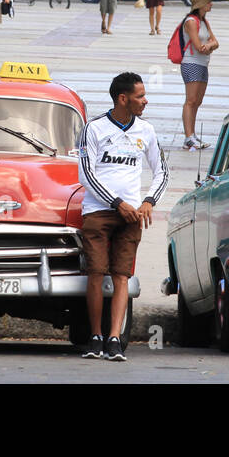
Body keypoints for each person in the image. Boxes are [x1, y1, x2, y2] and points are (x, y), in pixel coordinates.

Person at [77, 72, 167, 362]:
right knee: (95, 273)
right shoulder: (94, 128)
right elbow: (86, 173)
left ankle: (114, 338)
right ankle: (94, 336)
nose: (145, 101)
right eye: (140, 96)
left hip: (131, 216)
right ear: (123, 98)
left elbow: (162, 171)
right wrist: (117, 203)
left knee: (121, 276)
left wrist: (148, 201)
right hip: (98, 212)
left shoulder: (146, 131)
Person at [179, 0, 219, 149]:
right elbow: (198, 47)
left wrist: (209, 45)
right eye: (209, 2)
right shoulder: (191, 21)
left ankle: (193, 135)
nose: (211, 4)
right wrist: (210, 46)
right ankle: (188, 137)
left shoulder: (204, 21)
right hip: (191, 63)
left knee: (197, 101)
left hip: (203, 64)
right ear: (201, 4)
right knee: (190, 101)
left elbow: (215, 42)